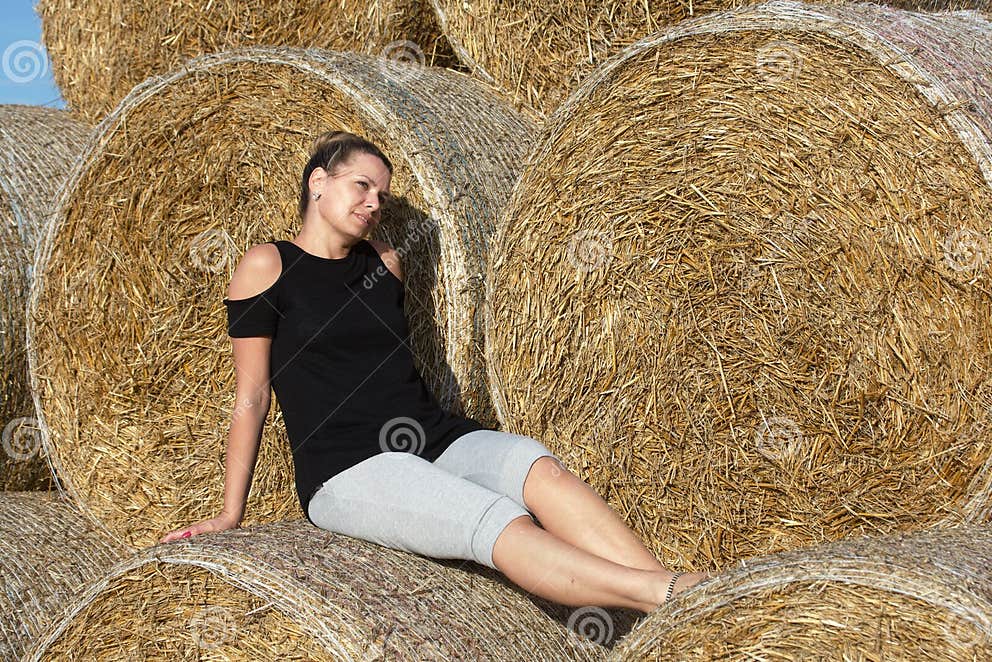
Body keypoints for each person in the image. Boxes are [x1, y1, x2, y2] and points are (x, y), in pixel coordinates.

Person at [161, 130, 707, 612]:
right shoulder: (267, 265)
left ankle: (681, 606)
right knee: (496, 520)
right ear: (318, 182)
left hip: (433, 435)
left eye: (382, 195)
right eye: (362, 186)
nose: (374, 203)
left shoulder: (384, 263)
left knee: (539, 469)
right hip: (348, 464)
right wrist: (232, 513)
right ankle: (670, 596)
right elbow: (251, 396)